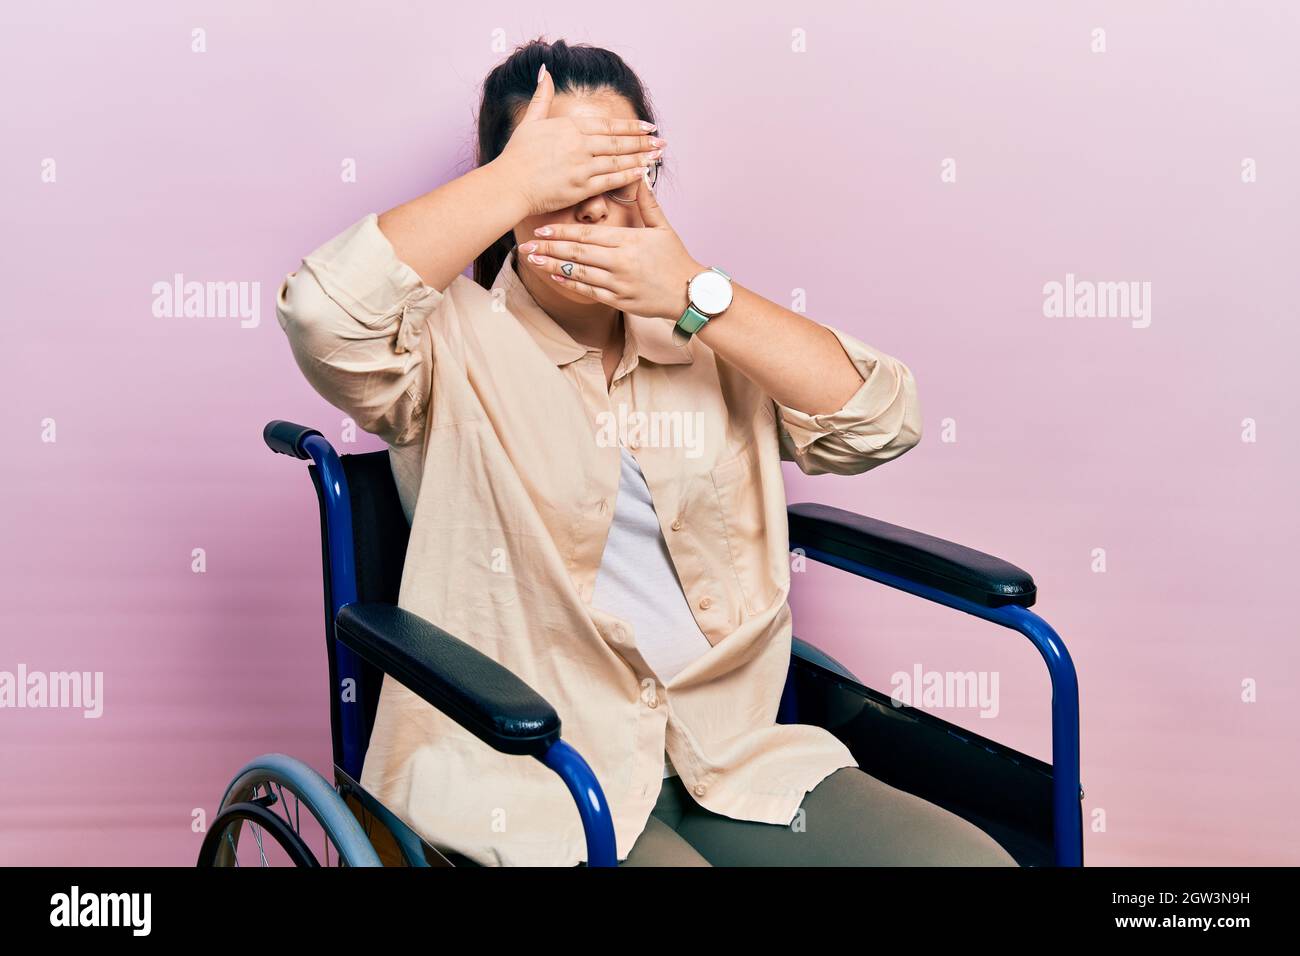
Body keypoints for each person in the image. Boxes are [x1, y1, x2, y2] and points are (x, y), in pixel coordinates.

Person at [275, 37, 1016, 867]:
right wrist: (517, 178)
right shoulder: (448, 343)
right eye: (565, 175)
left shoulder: (708, 335)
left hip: (731, 761)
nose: (594, 205)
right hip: (533, 777)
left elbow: (882, 419)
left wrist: (701, 295)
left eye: (618, 172)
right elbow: (322, 316)